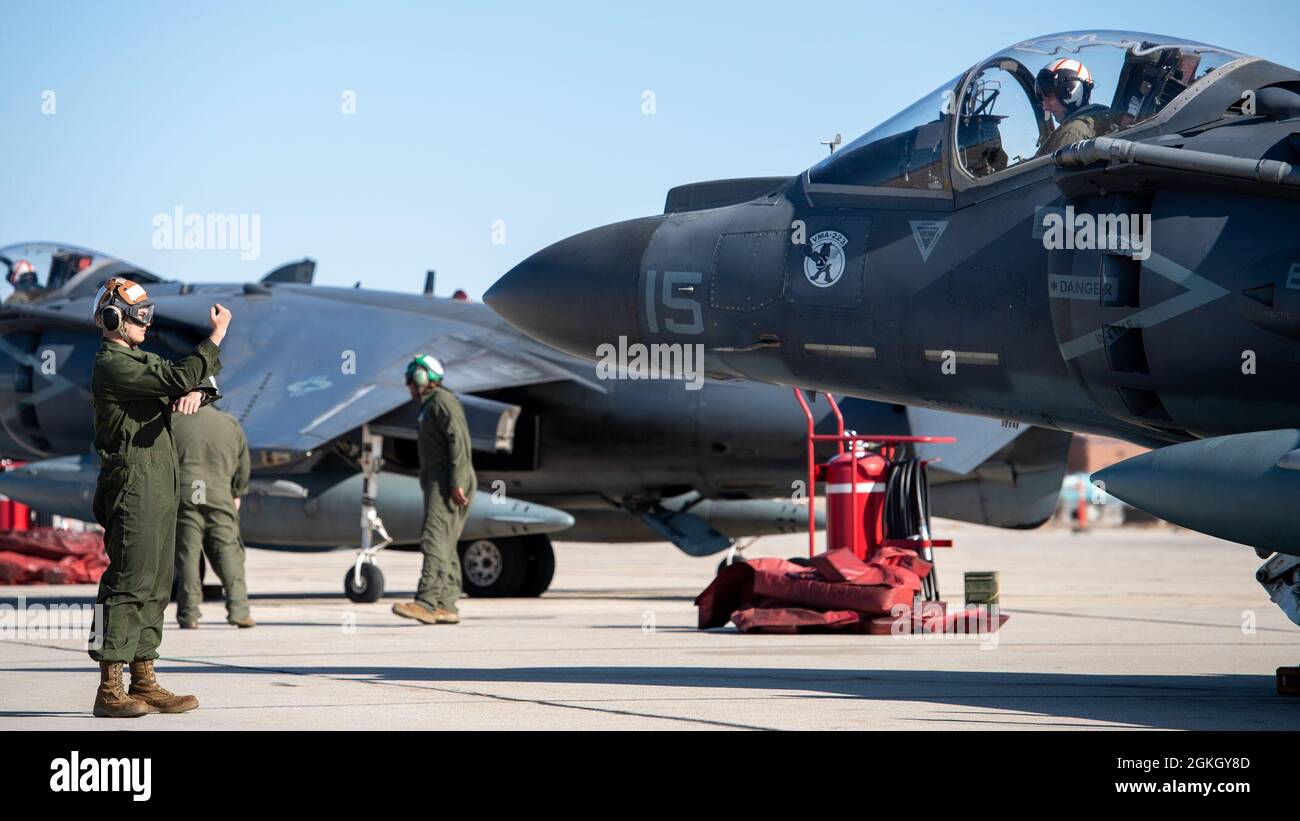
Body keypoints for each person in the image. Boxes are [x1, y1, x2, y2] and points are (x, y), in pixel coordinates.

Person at [87, 276, 229, 718]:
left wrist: (200, 389)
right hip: (132, 483)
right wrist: (216, 337)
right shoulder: (113, 364)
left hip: (159, 482)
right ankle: (109, 686)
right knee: (126, 581)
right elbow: (174, 375)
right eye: (139, 316)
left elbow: (185, 379)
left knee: (154, 584)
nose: (146, 323)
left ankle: (143, 679)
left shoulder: (137, 357)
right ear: (114, 319)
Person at [392, 354, 475, 625]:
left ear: (422, 378)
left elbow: (459, 440)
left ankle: (426, 602)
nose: (409, 386)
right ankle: (446, 604)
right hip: (441, 480)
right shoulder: (431, 404)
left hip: (447, 481)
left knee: (433, 538)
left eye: (411, 380)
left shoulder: (442, 401)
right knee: (446, 544)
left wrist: (458, 481)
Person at [172, 404, 254, 630]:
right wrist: (237, 491)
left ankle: (189, 614)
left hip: (187, 494)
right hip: (219, 494)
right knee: (227, 550)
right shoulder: (229, 423)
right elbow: (243, 464)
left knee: (187, 554)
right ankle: (239, 610)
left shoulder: (173, 421)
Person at [1034, 58, 1112, 157]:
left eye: (1049, 97)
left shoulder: (1071, 133)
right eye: (1043, 100)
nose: (1045, 107)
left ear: (1069, 93)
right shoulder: (1100, 118)